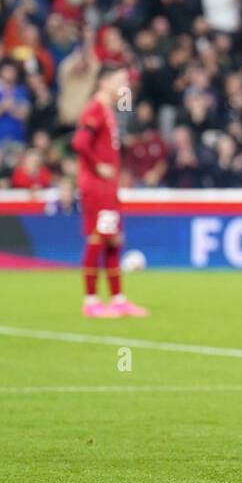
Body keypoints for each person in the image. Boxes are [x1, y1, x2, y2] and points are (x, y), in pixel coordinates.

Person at [73, 63, 147, 318]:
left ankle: (118, 299)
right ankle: (91, 301)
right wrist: (98, 166)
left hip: (108, 187)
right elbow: (80, 142)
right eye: (120, 80)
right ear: (104, 82)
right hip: (96, 187)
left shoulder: (107, 111)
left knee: (113, 240)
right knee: (98, 238)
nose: (124, 87)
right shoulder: (94, 108)